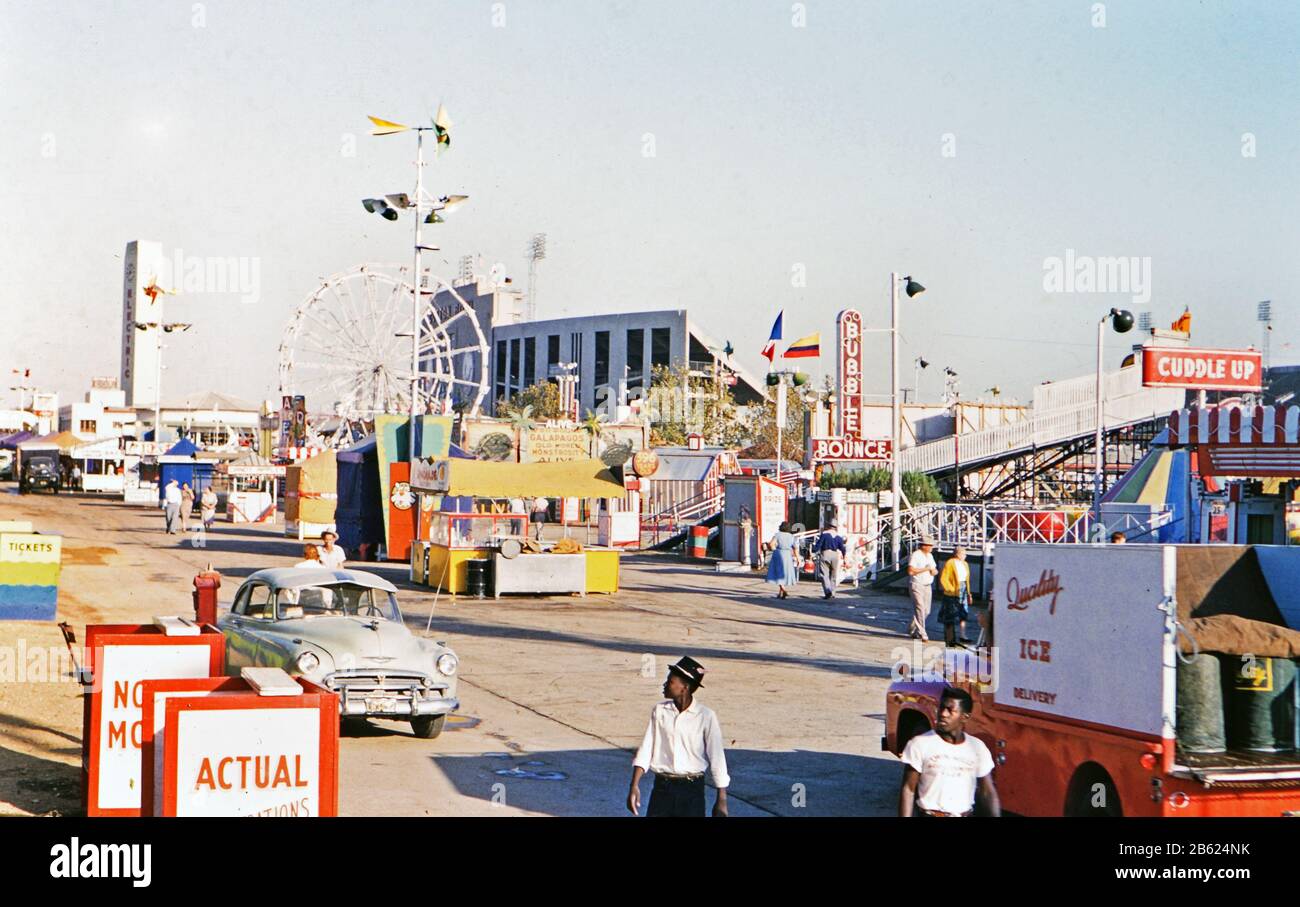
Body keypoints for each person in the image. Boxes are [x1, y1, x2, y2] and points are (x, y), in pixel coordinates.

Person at [628, 656, 729, 818]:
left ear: (684, 687)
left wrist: (721, 799)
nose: (665, 684)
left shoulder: (706, 716)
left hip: (692, 791)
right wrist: (634, 785)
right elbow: (646, 749)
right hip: (662, 788)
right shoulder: (660, 711)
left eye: (670, 681)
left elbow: (717, 757)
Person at [898, 687, 1000, 818]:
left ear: (964, 717)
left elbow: (987, 792)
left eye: (950, 710)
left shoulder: (977, 748)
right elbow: (908, 789)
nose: (943, 714)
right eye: (942, 708)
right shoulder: (920, 744)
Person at [939, 546, 972, 646]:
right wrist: (950, 589)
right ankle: (950, 639)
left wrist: (969, 593)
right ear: (957, 554)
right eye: (963, 553)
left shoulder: (965, 564)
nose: (965, 556)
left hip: (963, 590)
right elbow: (944, 578)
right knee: (950, 615)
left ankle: (963, 635)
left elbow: (967, 580)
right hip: (952, 591)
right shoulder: (950, 563)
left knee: (963, 612)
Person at [907, 537, 939, 641]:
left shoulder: (930, 556)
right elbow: (911, 571)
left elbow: (933, 569)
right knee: (920, 607)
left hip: (927, 584)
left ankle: (913, 627)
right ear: (923, 546)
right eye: (930, 545)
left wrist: (934, 571)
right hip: (917, 584)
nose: (931, 547)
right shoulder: (916, 555)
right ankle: (922, 633)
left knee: (926, 611)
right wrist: (925, 569)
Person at [814, 521, 846, 599]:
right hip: (835, 555)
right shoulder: (838, 536)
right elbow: (842, 548)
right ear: (836, 527)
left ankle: (827, 591)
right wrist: (844, 557)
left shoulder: (824, 534)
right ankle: (833, 592)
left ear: (829, 526)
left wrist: (814, 551)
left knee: (824, 574)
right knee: (833, 574)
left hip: (825, 553)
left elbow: (819, 544)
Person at [765, 521, 796, 599]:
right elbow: (795, 548)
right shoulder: (791, 536)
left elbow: (771, 544)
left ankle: (783, 590)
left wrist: (774, 549)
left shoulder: (778, 535)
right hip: (788, 555)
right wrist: (798, 558)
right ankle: (780, 593)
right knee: (784, 573)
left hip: (779, 553)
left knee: (778, 572)